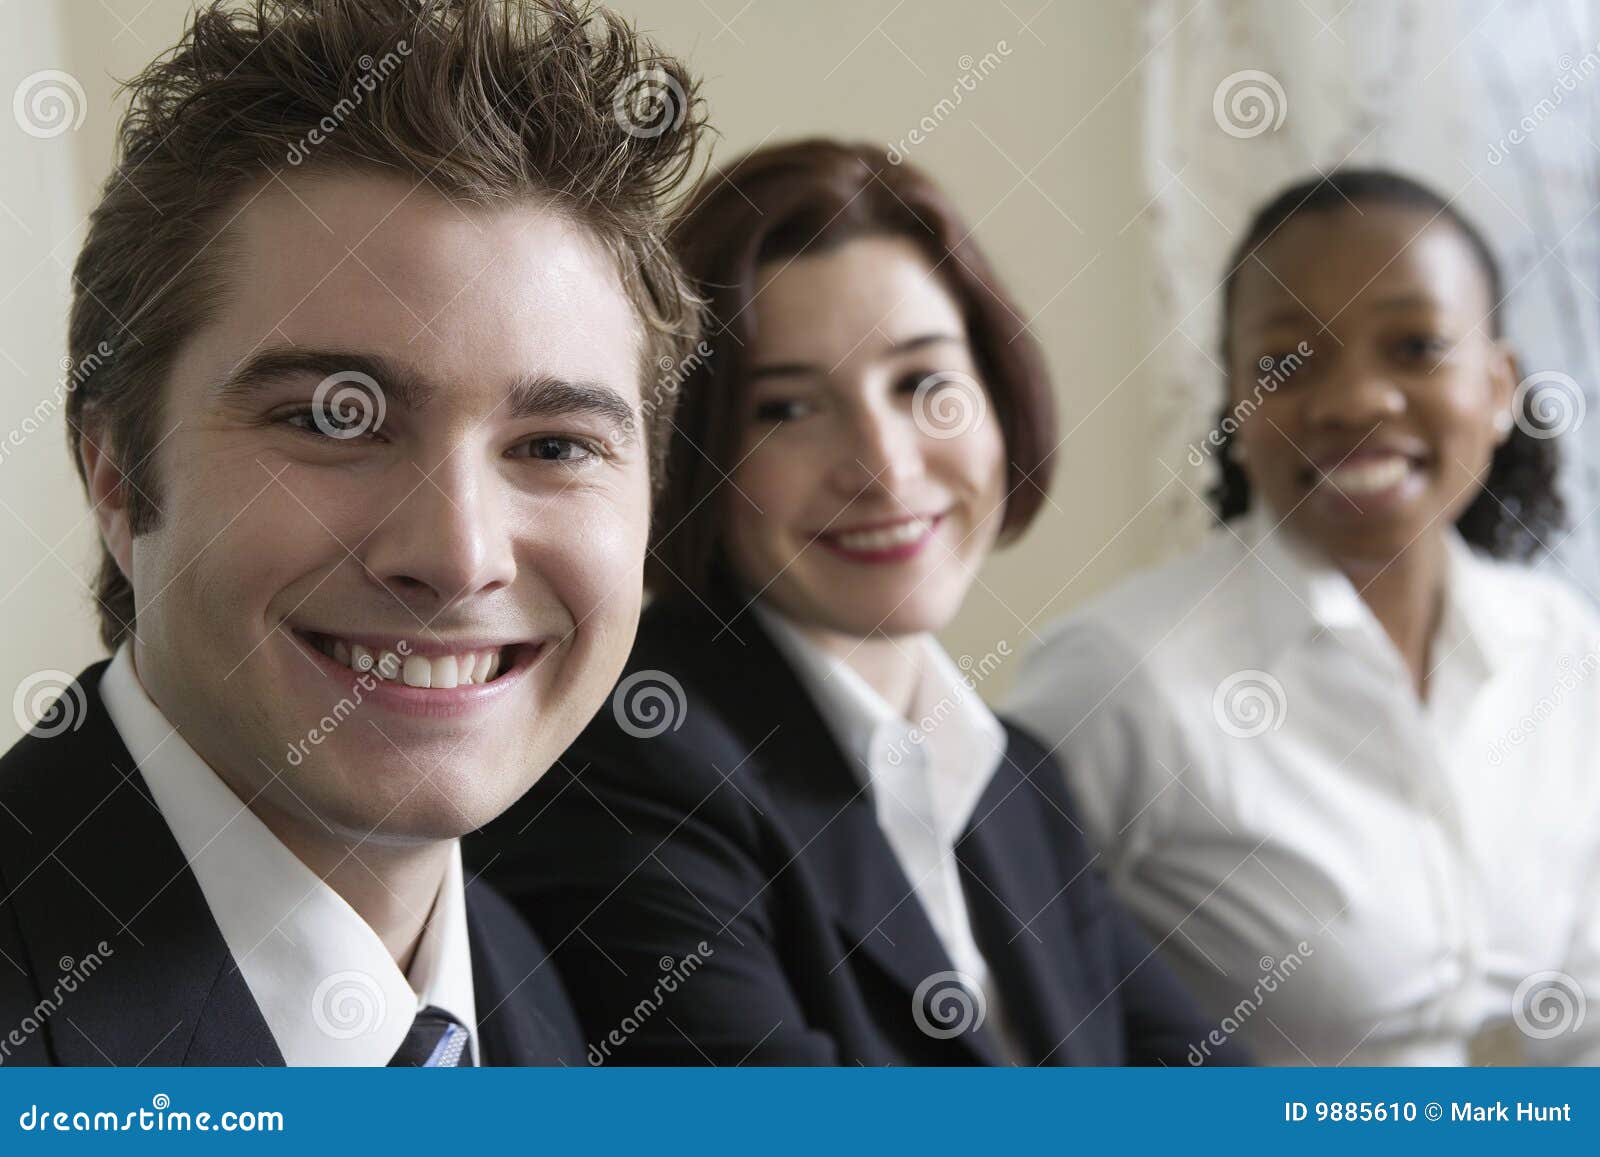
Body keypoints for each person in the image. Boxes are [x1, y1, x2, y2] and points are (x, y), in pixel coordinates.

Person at [0, 0, 705, 1067]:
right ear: (115, 473)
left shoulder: (530, 985)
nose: (460, 555)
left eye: (554, 445)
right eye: (335, 417)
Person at [470, 139, 1238, 1066]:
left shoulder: (1016, 777)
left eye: (923, 385)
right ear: (687, 452)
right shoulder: (628, 758)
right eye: (788, 409)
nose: (885, 466)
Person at [1008, 169, 1600, 1066]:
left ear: (1499, 384)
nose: (1355, 402)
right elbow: (998, 1005)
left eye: (1415, 345)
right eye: (1287, 361)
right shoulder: (1121, 677)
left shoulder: (1567, 647)